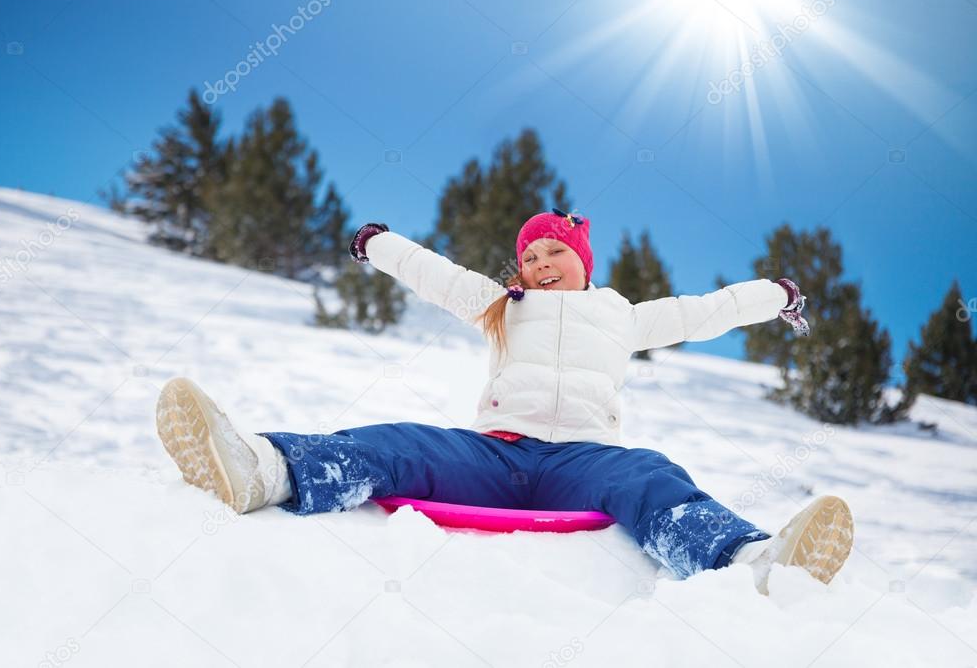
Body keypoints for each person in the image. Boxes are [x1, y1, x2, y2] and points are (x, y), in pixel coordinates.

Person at [155, 208, 853, 595]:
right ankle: (262, 471)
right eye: (532, 256)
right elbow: (437, 276)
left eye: (556, 252)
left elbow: (710, 310)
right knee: (400, 442)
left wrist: (779, 295)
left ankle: (752, 565)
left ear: (584, 260)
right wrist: (380, 243)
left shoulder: (623, 315)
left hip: (586, 462)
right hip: (496, 454)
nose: (543, 264)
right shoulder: (502, 306)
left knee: (650, 475)